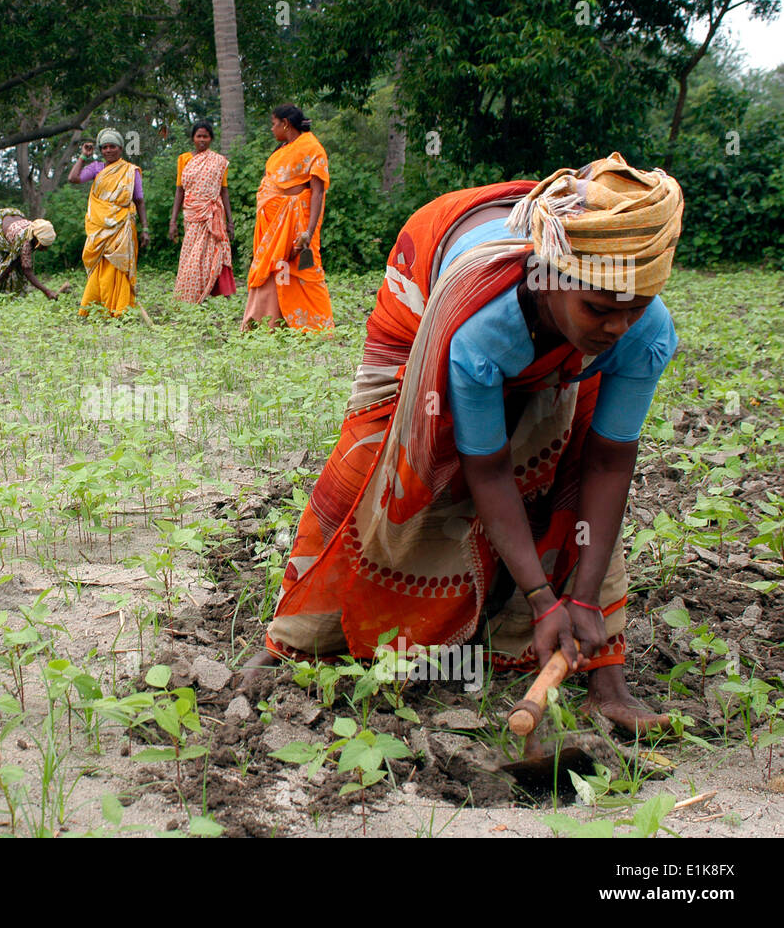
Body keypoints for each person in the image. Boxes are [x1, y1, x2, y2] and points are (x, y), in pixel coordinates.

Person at [240, 153, 684, 735]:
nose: (616, 329)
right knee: (384, 468)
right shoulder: (479, 327)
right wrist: (540, 593)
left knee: (569, 454)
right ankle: (302, 637)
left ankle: (605, 675)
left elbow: (607, 460)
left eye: (636, 309)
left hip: (524, 318)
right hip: (426, 292)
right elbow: (490, 469)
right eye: (599, 310)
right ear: (553, 280)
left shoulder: (638, 327)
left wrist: (580, 598)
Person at [239, 104, 334, 332]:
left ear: (285, 124)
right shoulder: (280, 151)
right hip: (272, 224)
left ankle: (314, 326)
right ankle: (269, 324)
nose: (272, 129)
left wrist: (309, 232)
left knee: (303, 269)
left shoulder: (312, 148)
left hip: (297, 221)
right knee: (273, 270)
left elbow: (317, 192)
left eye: (273, 124)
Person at [68, 127, 149, 318]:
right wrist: (83, 156)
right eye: (104, 147)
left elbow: (139, 200)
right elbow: (73, 178)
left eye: (112, 146)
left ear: (121, 148)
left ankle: (120, 309)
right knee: (100, 266)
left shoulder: (130, 171)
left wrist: (145, 228)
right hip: (99, 227)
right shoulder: (96, 168)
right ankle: (96, 308)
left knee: (119, 266)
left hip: (122, 227)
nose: (108, 151)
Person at [169, 121, 236, 303]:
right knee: (192, 253)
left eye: (205, 136)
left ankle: (222, 292)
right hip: (192, 212)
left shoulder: (219, 162)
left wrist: (230, 221)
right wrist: (173, 221)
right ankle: (193, 291)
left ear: (211, 139)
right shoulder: (184, 160)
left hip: (213, 213)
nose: (202, 140)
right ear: (193, 138)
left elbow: (224, 191)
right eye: (198, 136)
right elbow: (180, 190)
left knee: (216, 250)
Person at [0, 208, 69, 299]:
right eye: (43, 246)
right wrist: (47, 291)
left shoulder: (34, 231)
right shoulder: (24, 242)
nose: (45, 250)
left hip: (10, 216)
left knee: (13, 266)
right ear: (37, 240)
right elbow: (26, 270)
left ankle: (7, 295)